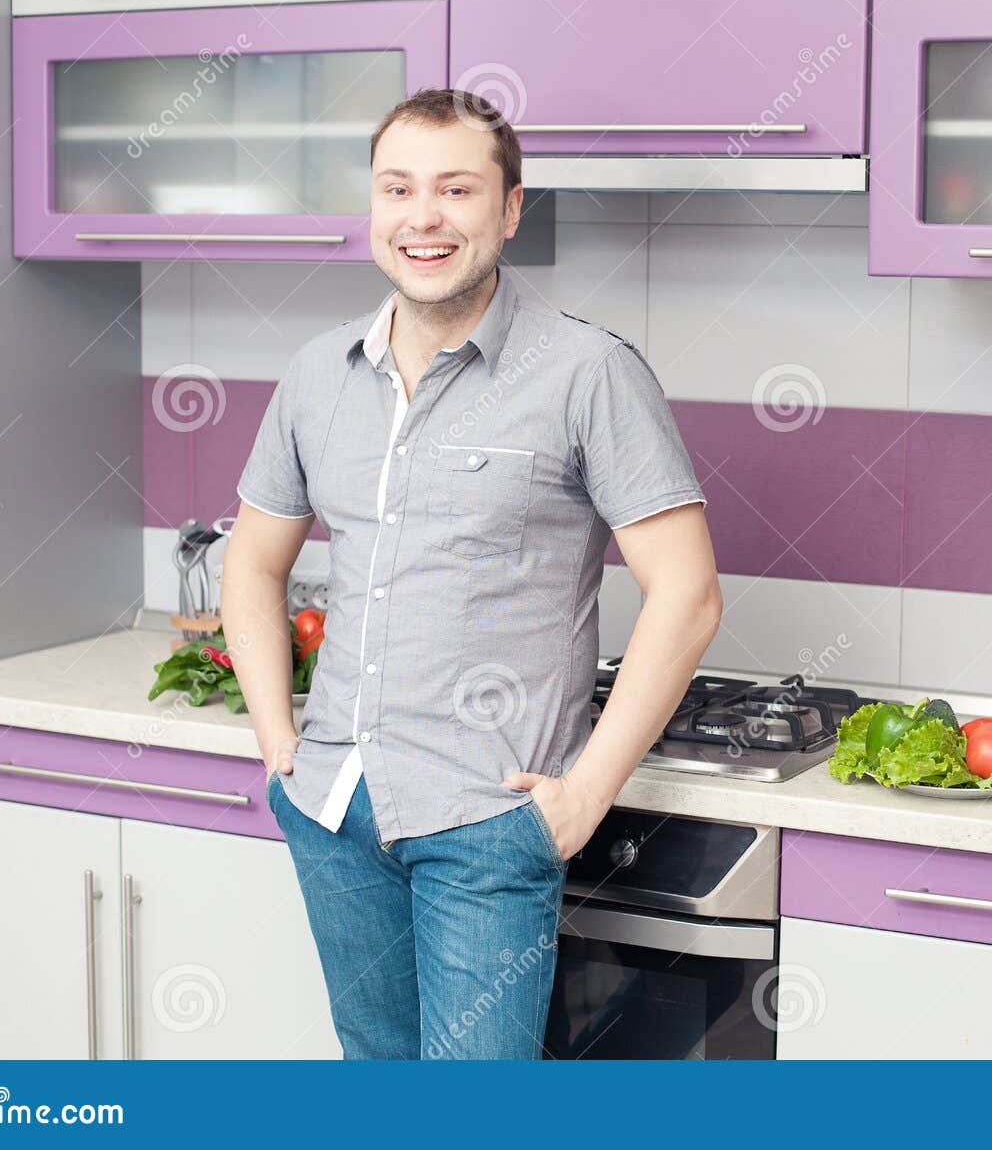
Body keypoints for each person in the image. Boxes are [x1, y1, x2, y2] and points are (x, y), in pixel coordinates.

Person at [220, 88, 722, 1059]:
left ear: (510, 209)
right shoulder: (317, 374)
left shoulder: (586, 371)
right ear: (372, 207)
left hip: (486, 821)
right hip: (333, 806)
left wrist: (582, 794)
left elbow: (688, 593)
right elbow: (252, 558)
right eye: (398, 188)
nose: (423, 216)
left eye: (456, 188)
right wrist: (279, 740)